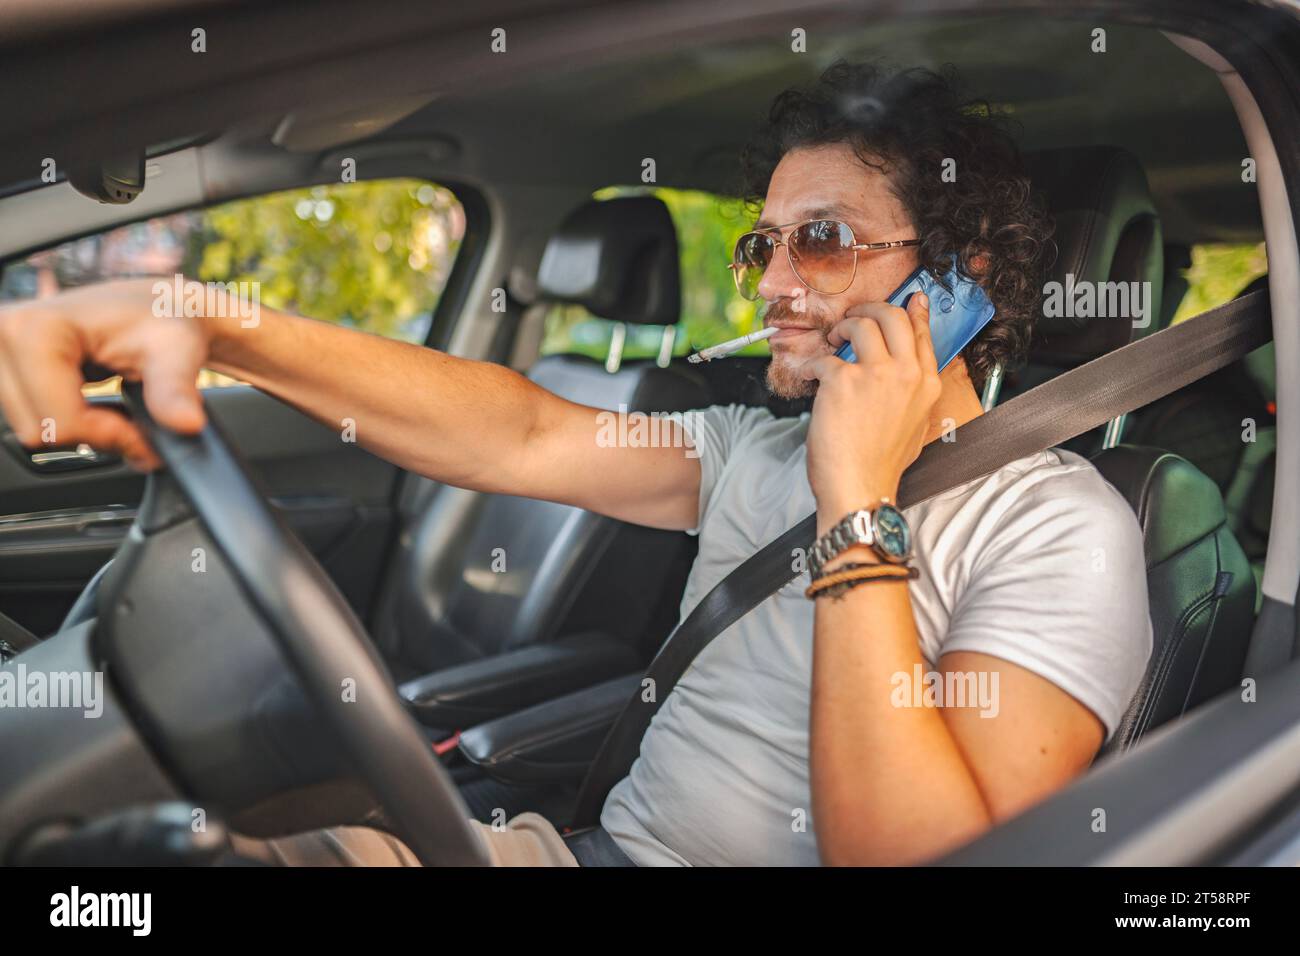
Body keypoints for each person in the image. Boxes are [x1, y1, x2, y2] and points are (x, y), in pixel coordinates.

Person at [0, 62, 1152, 866]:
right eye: (764, 242)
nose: (768, 283)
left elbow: (915, 859)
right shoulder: (751, 447)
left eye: (824, 239)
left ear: (957, 280)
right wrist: (208, 318)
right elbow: (520, 430)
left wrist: (857, 498)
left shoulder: (1059, 530)